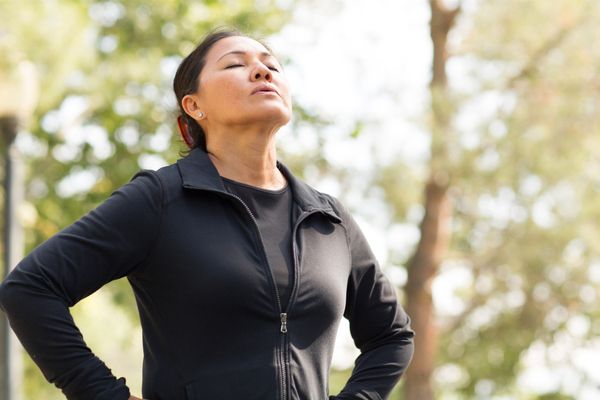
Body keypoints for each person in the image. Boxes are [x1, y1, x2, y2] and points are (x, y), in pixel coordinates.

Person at [0, 28, 414, 400]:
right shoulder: (160, 198)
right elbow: (30, 288)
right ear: (194, 106)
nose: (261, 71)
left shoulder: (329, 219)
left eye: (272, 65)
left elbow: (391, 335)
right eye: (236, 64)